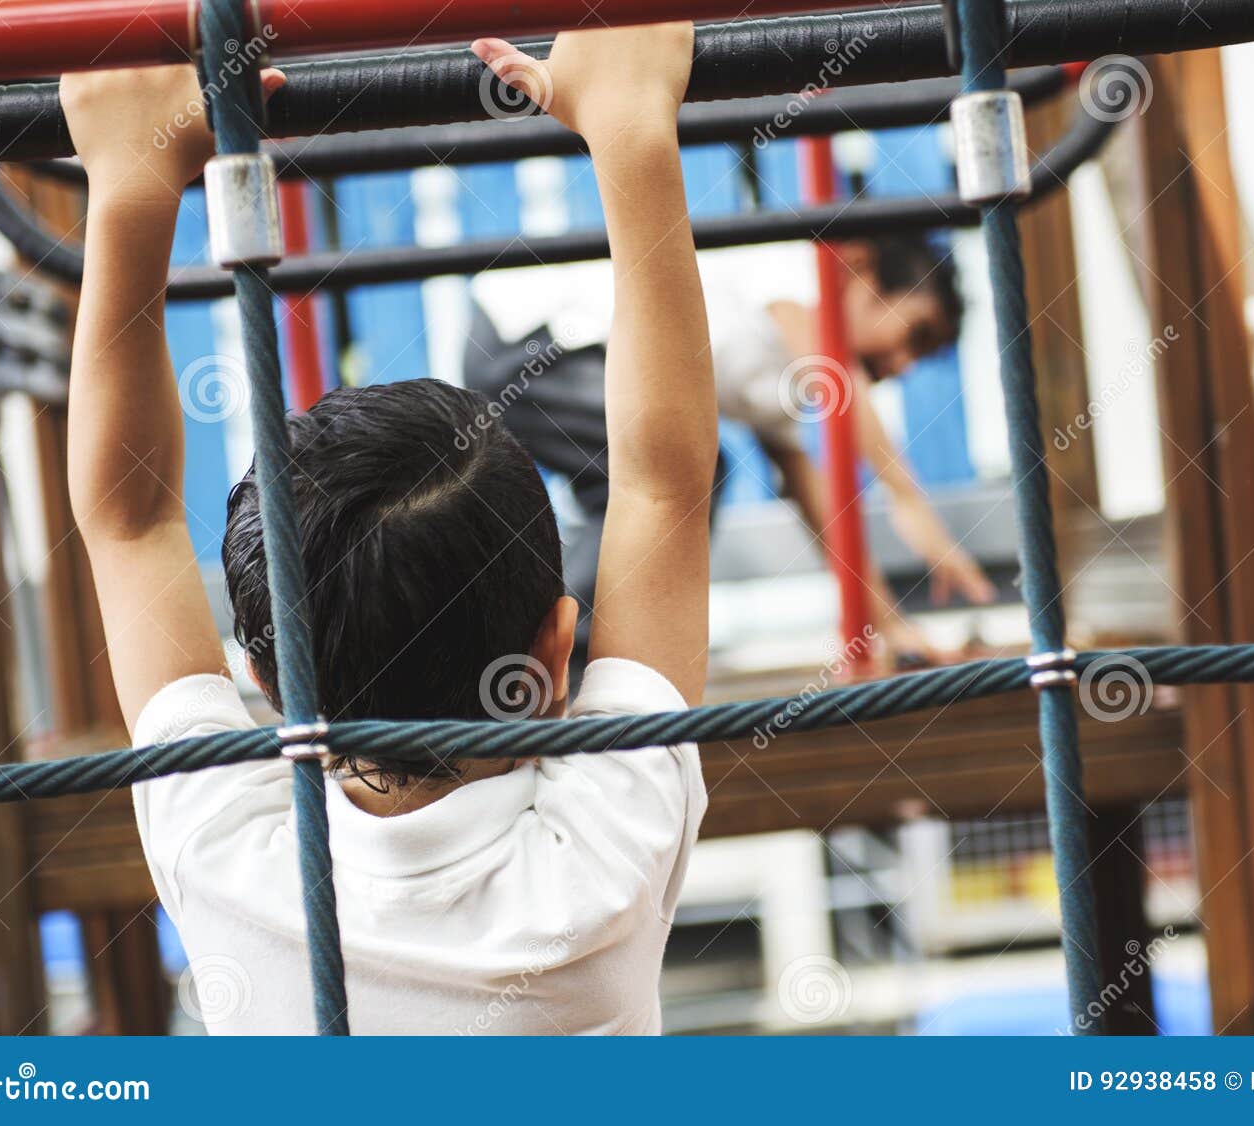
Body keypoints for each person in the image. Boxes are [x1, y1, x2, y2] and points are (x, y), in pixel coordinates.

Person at [62, 22, 716, 1034]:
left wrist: (128, 184)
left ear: (271, 681)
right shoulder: (598, 866)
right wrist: (632, 130)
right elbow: (660, 488)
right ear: (554, 653)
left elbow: (130, 519)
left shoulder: (229, 854)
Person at [467, 228, 996, 668]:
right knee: (680, 470)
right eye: (915, 335)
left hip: (548, 354)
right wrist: (907, 499)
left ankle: (541, 650)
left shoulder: (787, 376)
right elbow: (838, 380)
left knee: (647, 488)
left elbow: (821, 508)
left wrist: (890, 625)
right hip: (532, 337)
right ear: (859, 267)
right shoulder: (795, 267)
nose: (903, 365)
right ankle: (565, 659)